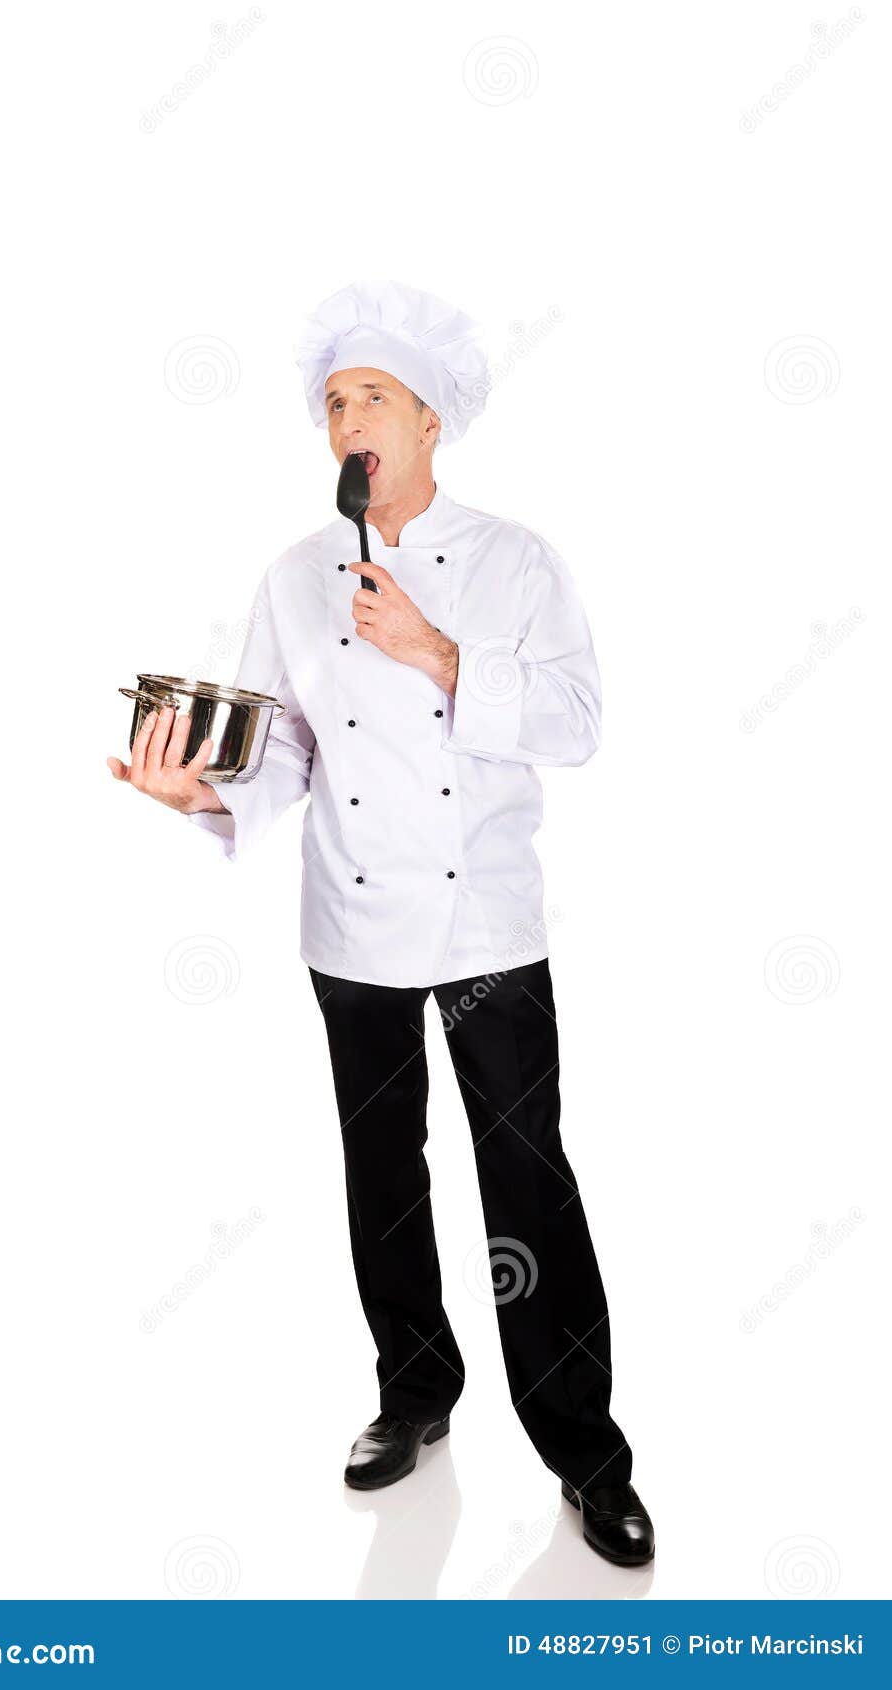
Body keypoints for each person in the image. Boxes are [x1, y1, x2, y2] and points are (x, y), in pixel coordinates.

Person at [107, 280, 654, 1567]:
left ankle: (587, 1451)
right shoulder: (292, 577)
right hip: (348, 929)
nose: (347, 419)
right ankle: (413, 1391)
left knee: (527, 1184)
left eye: (372, 400)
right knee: (382, 1175)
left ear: (429, 422)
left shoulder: (515, 561)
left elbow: (577, 723)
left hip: (487, 936)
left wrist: (440, 651)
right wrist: (203, 790)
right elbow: (285, 747)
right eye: (334, 403)